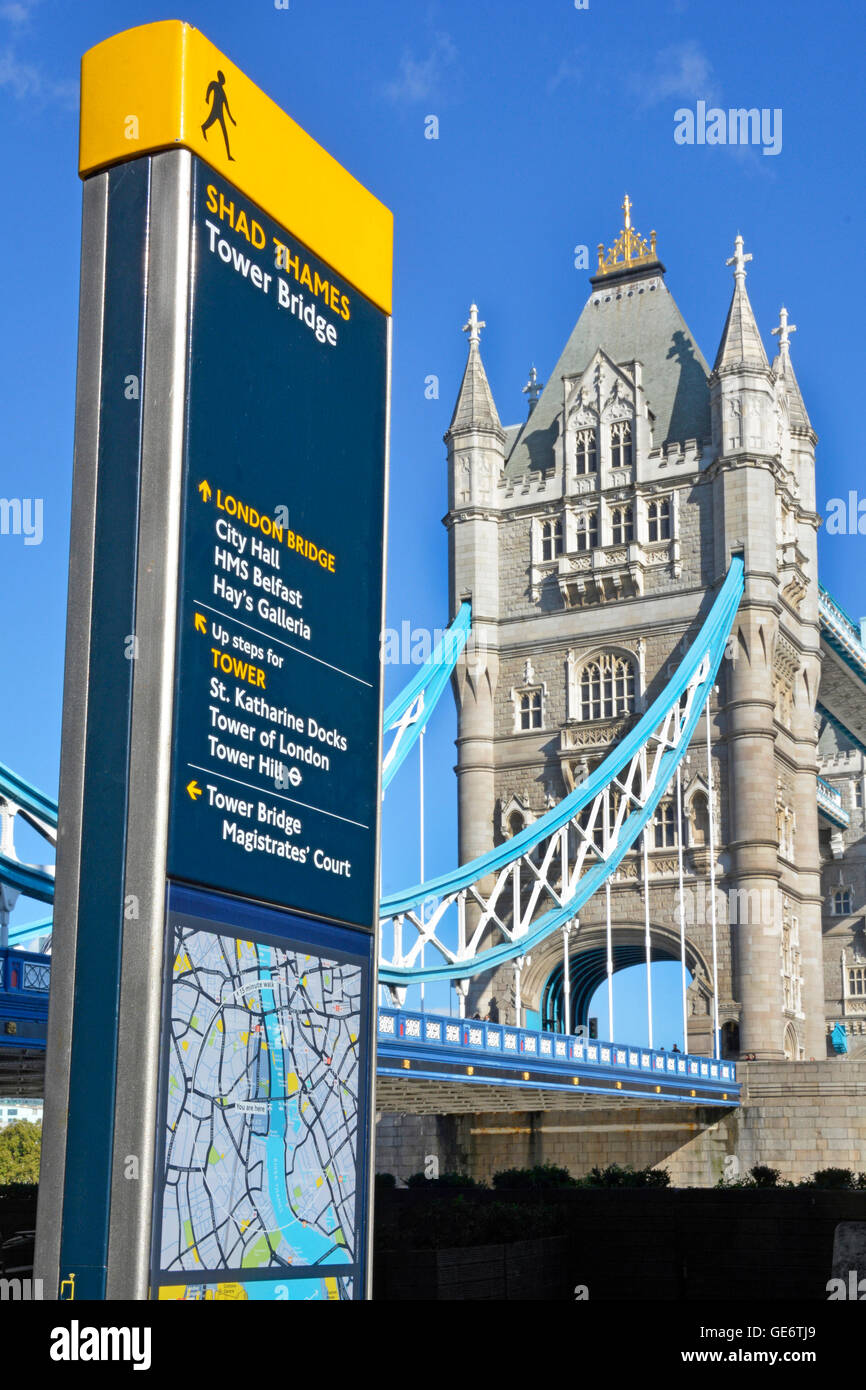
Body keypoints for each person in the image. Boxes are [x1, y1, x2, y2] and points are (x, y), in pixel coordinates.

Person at [201, 71, 236, 161]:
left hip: (220, 113)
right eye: (222, 79)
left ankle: (228, 155)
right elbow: (209, 88)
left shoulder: (223, 92)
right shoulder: (215, 84)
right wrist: (207, 98)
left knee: (225, 132)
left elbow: (227, 107)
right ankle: (203, 128)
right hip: (215, 110)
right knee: (209, 123)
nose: (222, 81)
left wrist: (232, 120)